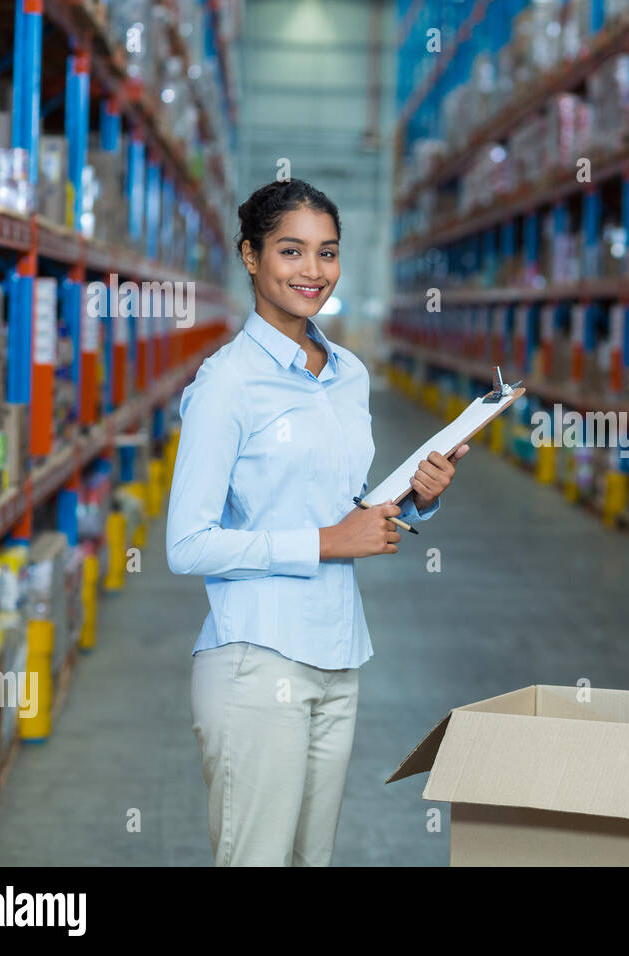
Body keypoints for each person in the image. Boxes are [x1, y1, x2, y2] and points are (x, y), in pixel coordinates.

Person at [166, 179, 467, 866]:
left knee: (312, 860)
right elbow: (187, 544)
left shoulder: (348, 374)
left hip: (339, 654)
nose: (313, 272)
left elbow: (341, 501)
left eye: (327, 253)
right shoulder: (227, 385)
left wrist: (416, 496)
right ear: (251, 256)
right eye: (291, 251)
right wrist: (330, 542)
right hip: (256, 659)